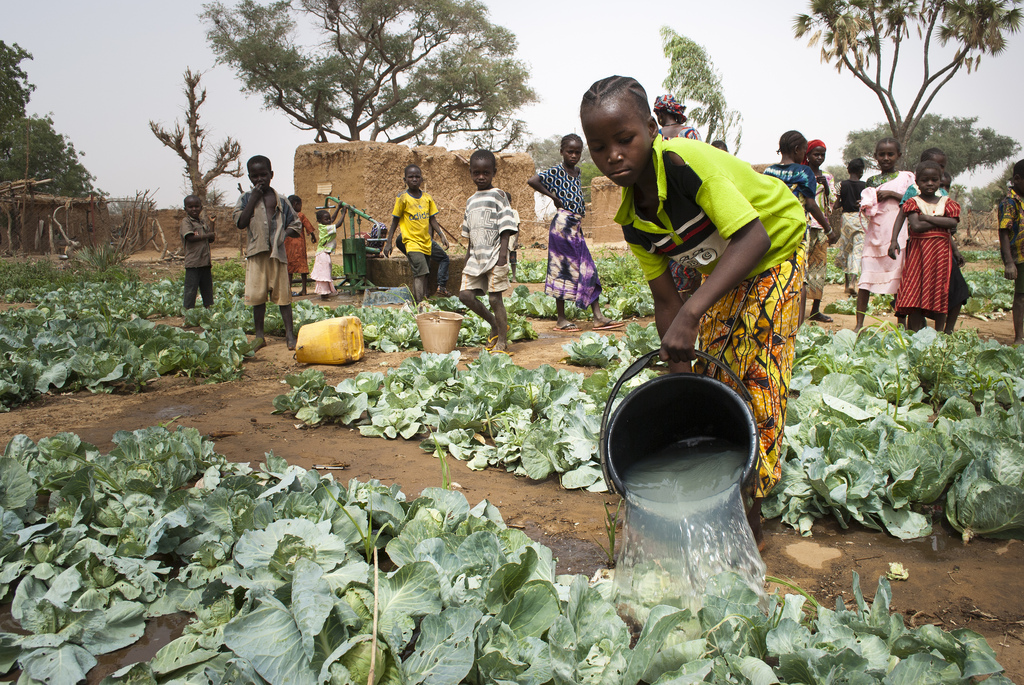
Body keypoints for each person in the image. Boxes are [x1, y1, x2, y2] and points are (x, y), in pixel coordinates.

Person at [580, 76, 807, 549]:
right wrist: (679, 380)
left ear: (652, 128)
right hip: (728, 268)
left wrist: (692, 315)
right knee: (713, 377)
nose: (613, 155)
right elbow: (667, 301)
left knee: (758, 375)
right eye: (599, 147)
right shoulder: (633, 221)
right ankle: (718, 482)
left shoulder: (688, 165)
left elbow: (753, 238)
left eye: (625, 139)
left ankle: (750, 509)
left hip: (776, 247)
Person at [527, 133, 620, 332]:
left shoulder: (577, 172)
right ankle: (561, 319)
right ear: (562, 152)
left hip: (575, 226)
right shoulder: (556, 171)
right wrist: (552, 196)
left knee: (588, 268)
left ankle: (597, 317)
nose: (574, 155)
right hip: (562, 226)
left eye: (577, 152)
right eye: (570, 151)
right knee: (562, 269)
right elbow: (533, 180)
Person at [762, 131, 836, 326]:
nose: (805, 154)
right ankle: (797, 323)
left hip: (773, 230)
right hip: (797, 231)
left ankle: (774, 315)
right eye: (804, 150)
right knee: (799, 276)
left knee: (775, 271)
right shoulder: (804, 173)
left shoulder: (770, 171)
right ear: (797, 150)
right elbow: (811, 204)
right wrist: (828, 229)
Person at [233, 155, 301, 351]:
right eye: (255, 176)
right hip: (256, 254)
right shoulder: (245, 199)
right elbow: (240, 222)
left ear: (271, 175)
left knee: (284, 297)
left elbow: (295, 223)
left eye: (263, 175)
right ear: (249, 178)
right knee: (258, 297)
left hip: (277, 255)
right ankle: (260, 336)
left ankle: (290, 334)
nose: (259, 179)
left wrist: (283, 235)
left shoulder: (280, 199)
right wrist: (253, 198)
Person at [458, 150, 519, 353]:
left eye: (486, 173)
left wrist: (503, 256)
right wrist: (467, 257)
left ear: (493, 172)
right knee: (465, 295)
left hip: (494, 255)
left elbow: (507, 228)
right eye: (477, 173)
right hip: (476, 257)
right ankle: (494, 323)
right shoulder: (470, 200)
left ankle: (502, 339)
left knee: (495, 298)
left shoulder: (499, 196)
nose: (481, 177)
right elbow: (470, 233)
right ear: (470, 173)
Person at [855, 137, 915, 332]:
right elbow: (867, 205)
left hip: (898, 234)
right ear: (875, 157)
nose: (886, 158)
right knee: (865, 279)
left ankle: (901, 325)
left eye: (890, 154)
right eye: (882, 154)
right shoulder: (872, 181)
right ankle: (859, 324)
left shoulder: (906, 178)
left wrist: (891, 194)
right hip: (875, 234)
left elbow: (915, 201)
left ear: (899, 155)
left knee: (899, 280)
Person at [894, 160, 961, 332]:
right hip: (919, 253)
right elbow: (916, 226)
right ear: (917, 182)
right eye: (925, 180)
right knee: (915, 291)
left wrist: (927, 218)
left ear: (940, 181)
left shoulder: (947, 202)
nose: (930, 183)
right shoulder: (913, 202)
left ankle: (938, 334)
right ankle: (914, 333)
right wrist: (941, 222)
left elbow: (952, 222)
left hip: (940, 255)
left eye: (934, 180)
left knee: (939, 290)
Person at [385, 164, 452, 301]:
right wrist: (388, 242)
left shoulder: (427, 198)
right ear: (405, 180)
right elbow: (394, 222)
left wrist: (441, 235)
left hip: (425, 241)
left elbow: (432, 219)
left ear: (422, 179)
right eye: (411, 177)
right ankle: (420, 305)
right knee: (421, 273)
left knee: (424, 273)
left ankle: (421, 302)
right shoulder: (403, 198)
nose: (414, 179)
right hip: (411, 242)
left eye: (417, 176)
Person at [803, 139, 838, 322]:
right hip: (805, 225)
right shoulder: (802, 173)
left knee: (819, 268)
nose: (819, 157)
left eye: (822, 155)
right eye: (815, 154)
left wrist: (824, 186)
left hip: (821, 227)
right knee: (802, 267)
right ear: (807, 155)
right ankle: (798, 310)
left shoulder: (829, 177)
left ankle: (815, 310)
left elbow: (833, 202)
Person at [998, 159, 1024, 345]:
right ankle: (1019, 338)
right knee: (1021, 297)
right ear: (1017, 179)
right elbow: (1004, 233)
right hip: (1020, 257)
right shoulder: (1009, 203)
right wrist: (1009, 262)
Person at [832, 158, 867, 295]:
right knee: (857, 250)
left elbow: (836, 205)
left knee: (846, 248)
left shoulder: (841, 185)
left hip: (846, 219)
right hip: (860, 219)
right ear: (861, 171)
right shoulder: (865, 186)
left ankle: (847, 284)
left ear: (848, 170)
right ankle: (853, 281)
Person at [180, 194, 216, 310]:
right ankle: (188, 311)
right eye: (190, 207)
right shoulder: (186, 222)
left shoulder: (202, 222)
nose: (194, 209)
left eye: (196, 206)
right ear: (185, 209)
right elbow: (190, 238)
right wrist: (206, 236)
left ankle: (208, 308)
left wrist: (212, 225)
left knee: (207, 287)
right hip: (193, 262)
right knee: (191, 288)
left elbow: (211, 239)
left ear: (201, 208)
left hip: (205, 261)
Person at [311, 204, 346, 299]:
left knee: (326, 272)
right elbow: (338, 224)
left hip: (324, 253)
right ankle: (324, 293)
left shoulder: (325, 225)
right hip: (322, 253)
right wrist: (344, 214)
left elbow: (332, 219)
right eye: (326, 219)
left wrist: (338, 208)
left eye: (328, 219)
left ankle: (327, 291)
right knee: (324, 273)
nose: (329, 221)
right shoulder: (325, 228)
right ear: (319, 221)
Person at [286, 195, 318, 296]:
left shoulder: (285, 215)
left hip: (288, 245)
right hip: (299, 244)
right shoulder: (300, 215)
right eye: (300, 205)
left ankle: (288, 290)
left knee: (289, 269)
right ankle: (304, 290)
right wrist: (312, 236)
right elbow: (308, 225)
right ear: (295, 204)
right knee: (302, 267)